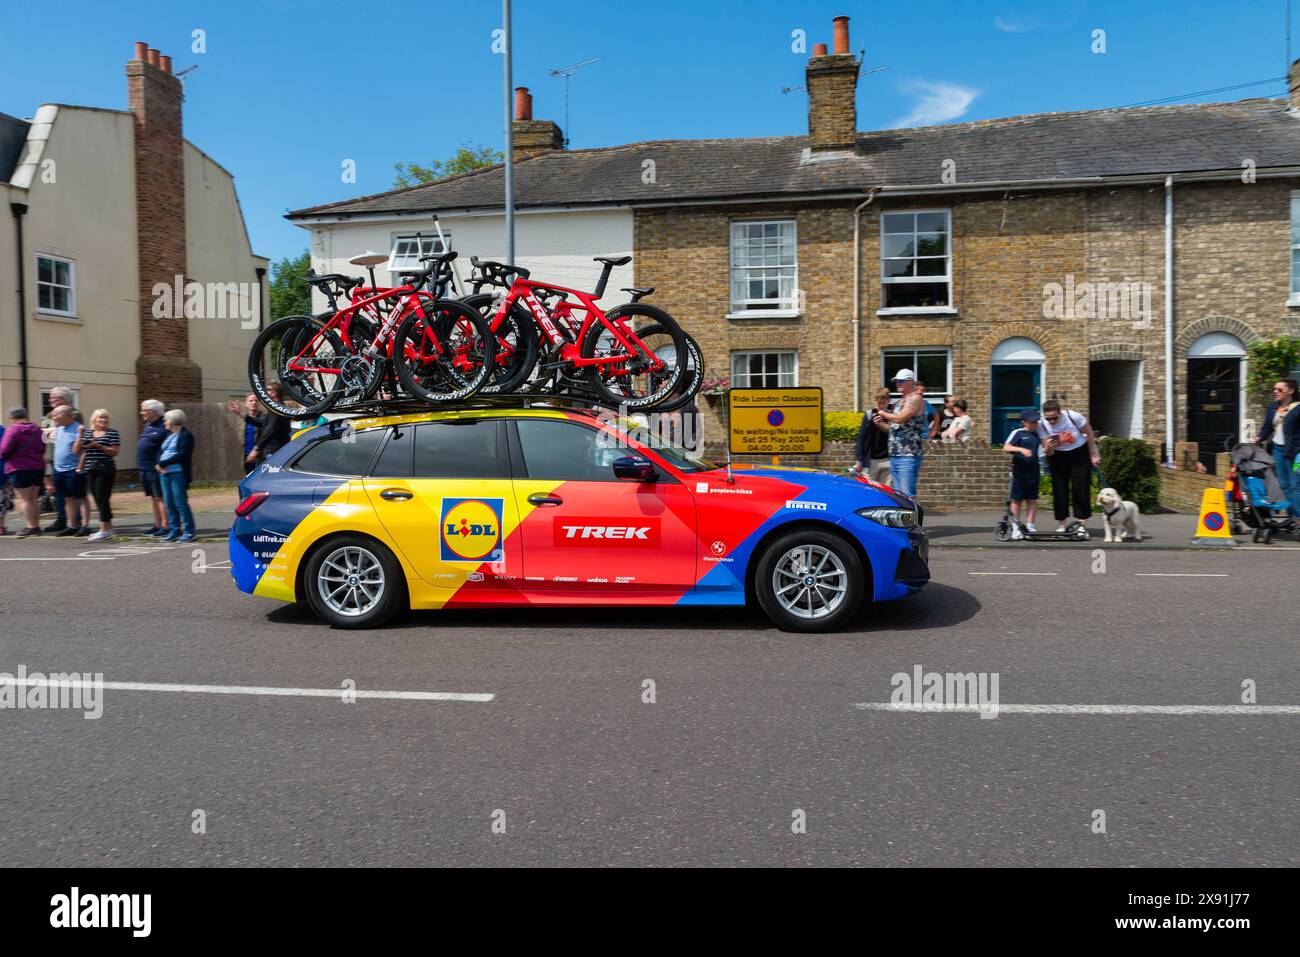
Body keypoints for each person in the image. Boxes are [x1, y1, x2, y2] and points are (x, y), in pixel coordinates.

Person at [1037, 398, 1101, 532]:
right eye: (1049, 419)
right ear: (1044, 416)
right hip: (1058, 456)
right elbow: (1048, 452)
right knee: (1059, 489)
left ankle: (1081, 524)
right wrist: (1049, 446)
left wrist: (1093, 454)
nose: (1052, 421)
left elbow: (1089, 433)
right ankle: (1062, 524)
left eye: (1055, 418)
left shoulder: (1073, 416)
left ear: (1060, 413)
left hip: (1079, 452)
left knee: (1081, 487)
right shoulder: (1042, 425)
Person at [873, 369, 928, 498]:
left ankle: (915, 518)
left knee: (908, 496)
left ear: (910, 382)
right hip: (895, 455)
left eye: (901, 381)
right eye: (896, 381)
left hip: (908, 455)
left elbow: (901, 418)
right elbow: (892, 429)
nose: (897, 383)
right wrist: (879, 423)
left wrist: (882, 413)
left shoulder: (916, 398)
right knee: (899, 497)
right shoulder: (898, 403)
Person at [74, 408, 121, 542]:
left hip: (106, 469)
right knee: (97, 498)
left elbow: (114, 452)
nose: (103, 420)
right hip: (91, 469)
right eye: (100, 417)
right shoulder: (88, 433)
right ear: (94, 420)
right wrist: (80, 435)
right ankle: (109, 528)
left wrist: (98, 446)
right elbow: (78, 450)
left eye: (105, 418)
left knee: (102, 498)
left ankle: (103, 530)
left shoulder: (112, 433)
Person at [1, 407, 48, 538]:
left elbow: (3, 450)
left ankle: (31, 527)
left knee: (24, 500)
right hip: (38, 466)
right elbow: (44, 445)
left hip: (19, 467)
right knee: (33, 499)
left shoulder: (12, 429)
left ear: (12, 418)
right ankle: (36, 526)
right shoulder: (38, 429)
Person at [41, 387, 82, 532]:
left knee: (73, 493)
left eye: (54, 398)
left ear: (64, 399)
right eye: (50, 398)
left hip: (70, 461)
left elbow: (70, 430)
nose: (50, 400)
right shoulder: (48, 416)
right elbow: (46, 439)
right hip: (53, 457)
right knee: (58, 492)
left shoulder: (74, 414)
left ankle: (76, 519)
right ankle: (61, 519)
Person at [1257, 378, 1300, 517]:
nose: (1276, 392)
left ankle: (1298, 517)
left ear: (1291, 391)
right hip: (1277, 450)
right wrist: (1259, 438)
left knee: (1295, 485)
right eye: (1274, 389)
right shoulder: (1273, 407)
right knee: (1284, 484)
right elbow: (1267, 427)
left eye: (1280, 389)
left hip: (1296, 452)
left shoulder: (1298, 408)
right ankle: (1292, 518)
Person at [49, 405, 90, 537]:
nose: (52, 417)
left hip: (73, 470)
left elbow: (81, 451)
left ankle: (85, 525)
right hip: (59, 470)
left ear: (63, 415)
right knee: (68, 498)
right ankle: (72, 525)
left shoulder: (79, 429)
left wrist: (79, 468)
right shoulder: (59, 429)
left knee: (81, 498)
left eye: (55, 415)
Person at [156, 409, 196, 543]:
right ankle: (174, 530)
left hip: (178, 474)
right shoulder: (169, 435)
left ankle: (189, 531)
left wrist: (163, 462)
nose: (164, 422)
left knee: (180, 503)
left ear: (173, 421)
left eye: (166, 420)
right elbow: (161, 451)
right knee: (169, 503)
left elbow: (183, 455)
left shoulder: (186, 435)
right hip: (165, 474)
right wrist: (158, 463)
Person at [1003, 408, 1042, 539]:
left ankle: (1030, 526)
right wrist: (1021, 450)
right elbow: (1006, 447)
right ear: (1024, 422)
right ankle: (1016, 527)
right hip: (1020, 471)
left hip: (1034, 471)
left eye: (1036, 421)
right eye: (1032, 421)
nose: (1035, 423)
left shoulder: (1038, 433)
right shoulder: (1018, 433)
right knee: (1017, 500)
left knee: (1032, 500)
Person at [138, 399, 170, 536]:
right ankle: (157, 524)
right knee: (153, 497)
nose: (142, 413)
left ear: (154, 412)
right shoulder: (148, 425)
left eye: (144, 410)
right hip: (144, 468)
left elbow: (166, 448)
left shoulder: (164, 427)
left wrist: (160, 462)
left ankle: (165, 525)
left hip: (155, 468)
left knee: (160, 497)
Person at [851, 387, 893, 486]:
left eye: (883, 403)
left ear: (888, 401)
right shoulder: (869, 415)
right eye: (878, 403)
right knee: (870, 488)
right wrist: (859, 460)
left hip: (888, 459)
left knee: (887, 490)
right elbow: (861, 438)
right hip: (871, 461)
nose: (880, 407)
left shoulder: (892, 415)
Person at [248, 384, 290, 468]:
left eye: (268, 390)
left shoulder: (277, 409)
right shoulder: (277, 408)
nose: (265, 392)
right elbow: (261, 423)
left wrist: (256, 448)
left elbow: (270, 430)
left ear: (273, 393)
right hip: (274, 451)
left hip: (274, 451)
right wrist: (242, 415)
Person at [227, 393, 264, 474]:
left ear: (259, 403)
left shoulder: (264, 418)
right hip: (246, 456)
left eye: (256, 401)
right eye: (251, 401)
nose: (253, 402)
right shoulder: (242, 420)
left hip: (260, 457)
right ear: (247, 404)